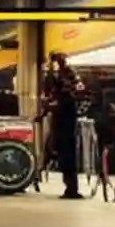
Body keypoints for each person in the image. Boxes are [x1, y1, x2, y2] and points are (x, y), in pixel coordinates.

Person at [39, 51, 87, 199]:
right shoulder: (70, 75)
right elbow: (79, 92)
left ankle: (70, 187)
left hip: (61, 119)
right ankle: (71, 186)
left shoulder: (56, 77)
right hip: (68, 117)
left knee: (61, 151)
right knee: (66, 152)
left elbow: (51, 97)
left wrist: (44, 111)